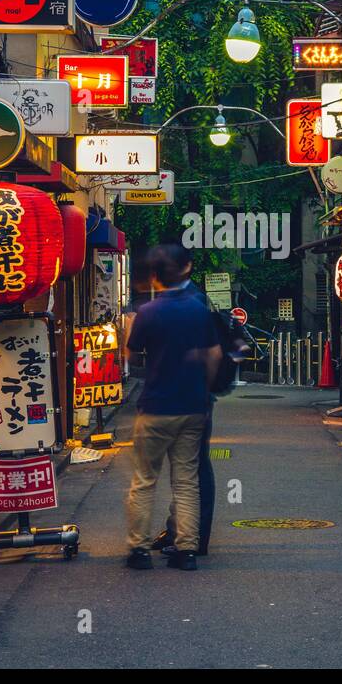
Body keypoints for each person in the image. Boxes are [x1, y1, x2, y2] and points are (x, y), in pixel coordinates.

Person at [124, 244, 220, 571]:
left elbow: (133, 354)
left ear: (155, 276)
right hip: (192, 406)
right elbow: (214, 356)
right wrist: (203, 389)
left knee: (145, 478)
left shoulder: (148, 312)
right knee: (186, 481)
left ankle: (138, 549)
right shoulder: (198, 309)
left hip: (155, 406)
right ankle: (187, 551)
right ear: (186, 270)